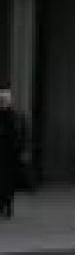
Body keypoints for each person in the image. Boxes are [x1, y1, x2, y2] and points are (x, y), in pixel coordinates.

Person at [0, 88, 29, 220]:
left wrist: (23, 151)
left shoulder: (17, 116)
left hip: (11, 155)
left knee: (9, 182)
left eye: (5, 99)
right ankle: (3, 205)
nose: (3, 102)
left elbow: (23, 135)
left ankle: (8, 205)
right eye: (1, 100)